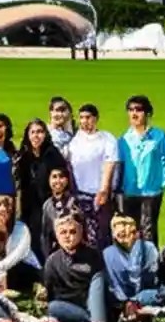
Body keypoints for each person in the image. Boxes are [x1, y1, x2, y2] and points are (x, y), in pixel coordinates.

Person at [103, 215, 165, 318]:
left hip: (147, 293)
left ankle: (139, 304)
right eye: (120, 234)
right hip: (122, 298)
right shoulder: (108, 253)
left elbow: (151, 278)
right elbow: (114, 285)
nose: (125, 236)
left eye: (129, 232)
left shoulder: (148, 247)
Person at [118, 95, 165, 245]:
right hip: (129, 191)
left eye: (138, 109)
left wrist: (163, 182)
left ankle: (151, 265)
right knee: (129, 231)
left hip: (151, 191)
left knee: (148, 231)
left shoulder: (160, 137)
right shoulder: (123, 139)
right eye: (130, 110)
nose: (134, 113)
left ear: (147, 113)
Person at [13, 119, 68, 262]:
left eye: (40, 132)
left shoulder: (52, 154)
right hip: (29, 207)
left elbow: (61, 179)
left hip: (48, 205)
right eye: (33, 132)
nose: (36, 136)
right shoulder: (23, 155)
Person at [66, 104, 118, 249]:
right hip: (80, 194)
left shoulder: (107, 139)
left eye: (88, 117)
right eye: (81, 118)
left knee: (102, 235)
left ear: (95, 118)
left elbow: (110, 163)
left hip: (99, 195)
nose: (84, 121)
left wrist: (104, 189)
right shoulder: (75, 140)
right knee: (82, 234)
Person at [43, 215, 107, 322]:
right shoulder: (52, 261)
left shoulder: (93, 255)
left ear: (81, 232)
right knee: (52, 307)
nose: (68, 236)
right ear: (56, 235)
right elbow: (50, 293)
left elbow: (99, 287)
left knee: (99, 279)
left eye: (72, 232)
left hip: (92, 302)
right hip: (68, 306)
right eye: (63, 232)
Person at [0, 196, 41, 295]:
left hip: (21, 267)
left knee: (15, 269)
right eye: (1, 213)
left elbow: (18, 255)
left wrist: (0, 269)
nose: (4, 216)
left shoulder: (22, 229)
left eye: (7, 213)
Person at [40, 167, 78, 257]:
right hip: (57, 254)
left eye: (61, 176)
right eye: (54, 177)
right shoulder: (47, 205)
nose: (58, 181)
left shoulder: (76, 202)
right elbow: (46, 235)